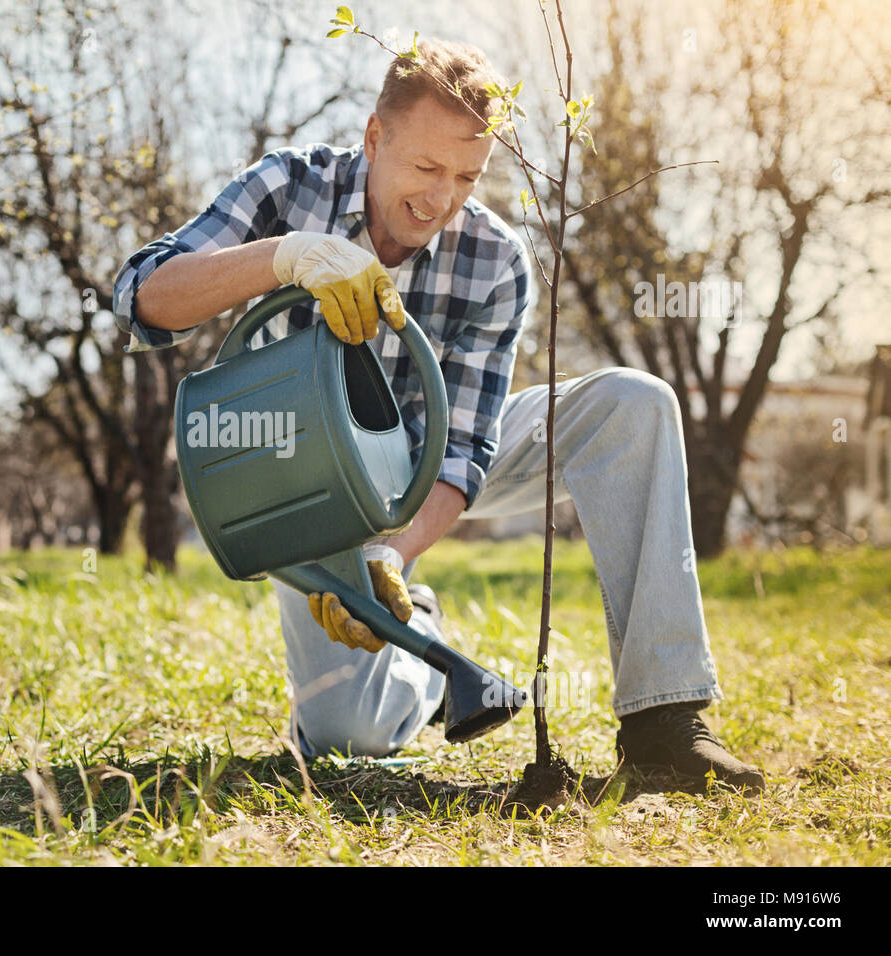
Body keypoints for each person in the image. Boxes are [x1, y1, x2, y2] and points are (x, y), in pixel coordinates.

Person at [112, 38, 764, 795]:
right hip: (314, 487)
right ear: (374, 137)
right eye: (425, 168)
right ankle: (415, 630)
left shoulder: (495, 260)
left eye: (467, 176)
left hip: (427, 467)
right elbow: (145, 297)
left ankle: (665, 722)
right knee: (346, 734)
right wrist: (286, 257)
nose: (442, 197)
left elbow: (463, 449)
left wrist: (393, 551)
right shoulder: (289, 186)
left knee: (633, 404)